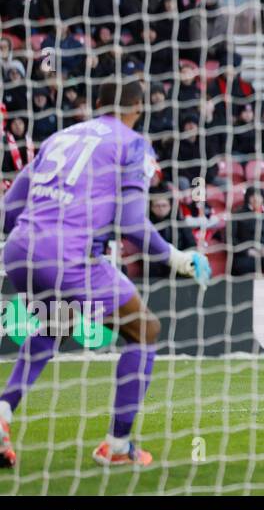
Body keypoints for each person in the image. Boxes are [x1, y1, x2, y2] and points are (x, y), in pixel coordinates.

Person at [0, 80, 212, 468]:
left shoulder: (61, 136)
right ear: (139, 108)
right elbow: (132, 223)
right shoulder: (132, 144)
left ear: (98, 104)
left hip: (19, 248)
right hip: (69, 255)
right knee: (144, 330)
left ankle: (2, 413)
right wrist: (175, 257)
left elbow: (8, 209)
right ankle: (117, 445)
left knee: (54, 324)